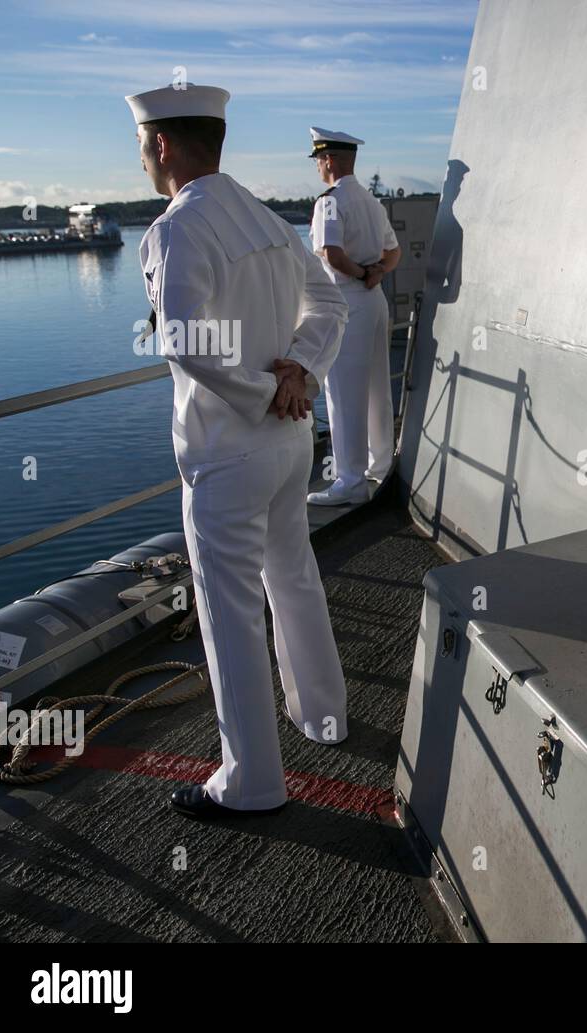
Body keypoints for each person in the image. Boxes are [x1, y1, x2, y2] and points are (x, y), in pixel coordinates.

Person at [125, 83, 351, 819]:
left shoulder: (175, 229)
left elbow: (185, 340)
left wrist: (263, 389)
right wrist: (300, 373)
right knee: (294, 579)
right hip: (288, 443)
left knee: (230, 616)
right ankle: (321, 714)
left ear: (160, 143)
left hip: (228, 454)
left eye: (141, 143)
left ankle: (250, 780)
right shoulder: (267, 216)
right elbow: (331, 303)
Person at [305, 127, 402, 505]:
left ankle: (349, 482)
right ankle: (380, 466)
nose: (317, 167)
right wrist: (377, 272)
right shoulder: (371, 201)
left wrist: (362, 273)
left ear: (329, 159)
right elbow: (393, 252)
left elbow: (330, 252)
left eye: (317, 160)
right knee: (378, 385)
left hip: (347, 300)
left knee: (343, 391)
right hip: (375, 301)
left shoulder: (329, 202)